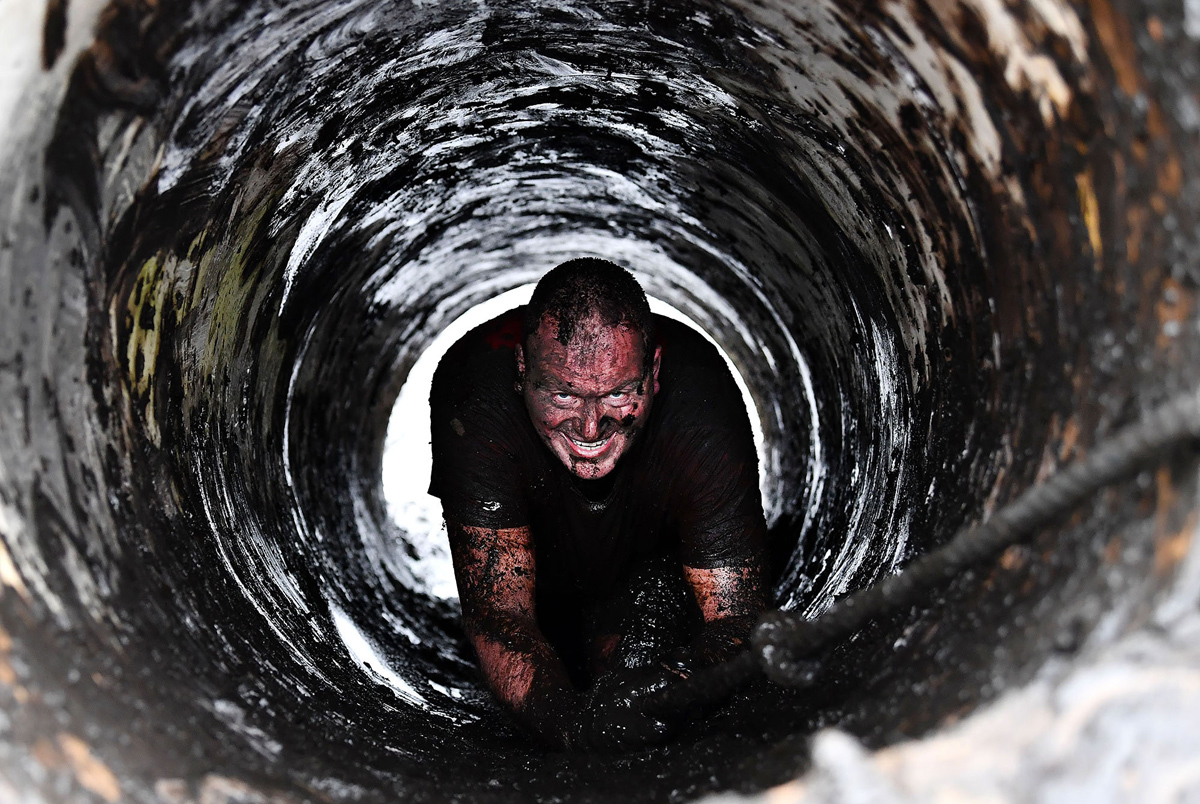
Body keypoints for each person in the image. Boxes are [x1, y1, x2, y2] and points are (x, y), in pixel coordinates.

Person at [428, 258, 766, 751]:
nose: (591, 429)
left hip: (654, 581)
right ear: (522, 369)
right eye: (564, 395)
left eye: (618, 394)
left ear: (653, 373)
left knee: (644, 627)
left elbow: (739, 619)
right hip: (547, 596)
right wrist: (574, 727)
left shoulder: (701, 405)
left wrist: (677, 682)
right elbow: (499, 614)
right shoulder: (476, 396)